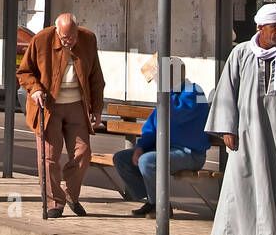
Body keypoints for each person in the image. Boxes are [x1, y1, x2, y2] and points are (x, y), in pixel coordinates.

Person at [206, 3, 276, 235]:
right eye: (274, 27)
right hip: (247, 133)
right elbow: (227, 92)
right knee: (242, 184)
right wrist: (227, 128)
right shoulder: (242, 53)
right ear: (260, 27)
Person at [16, 13, 105, 218]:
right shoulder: (41, 39)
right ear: (57, 31)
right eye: (64, 37)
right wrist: (35, 89)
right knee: (49, 157)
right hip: (49, 106)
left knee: (83, 153)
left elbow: (96, 78)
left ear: (78, 29)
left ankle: (71, 195)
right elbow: (24, 72)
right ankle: (54, 203)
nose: (69, 41)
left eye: (72, 36)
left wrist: (97, 109)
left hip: (77, 106)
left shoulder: (88, 39)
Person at [112, 56, 211, 217]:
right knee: (122, 159)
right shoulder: (167, 96)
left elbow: (177, 114)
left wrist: (166, 95)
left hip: (190, 153)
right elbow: (153, 125)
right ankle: (153, 200)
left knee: (147, 161)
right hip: (166, 149)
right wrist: (140, 147)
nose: (158, 82)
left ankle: (160, 204)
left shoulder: (195, 91)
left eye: (161, 77)